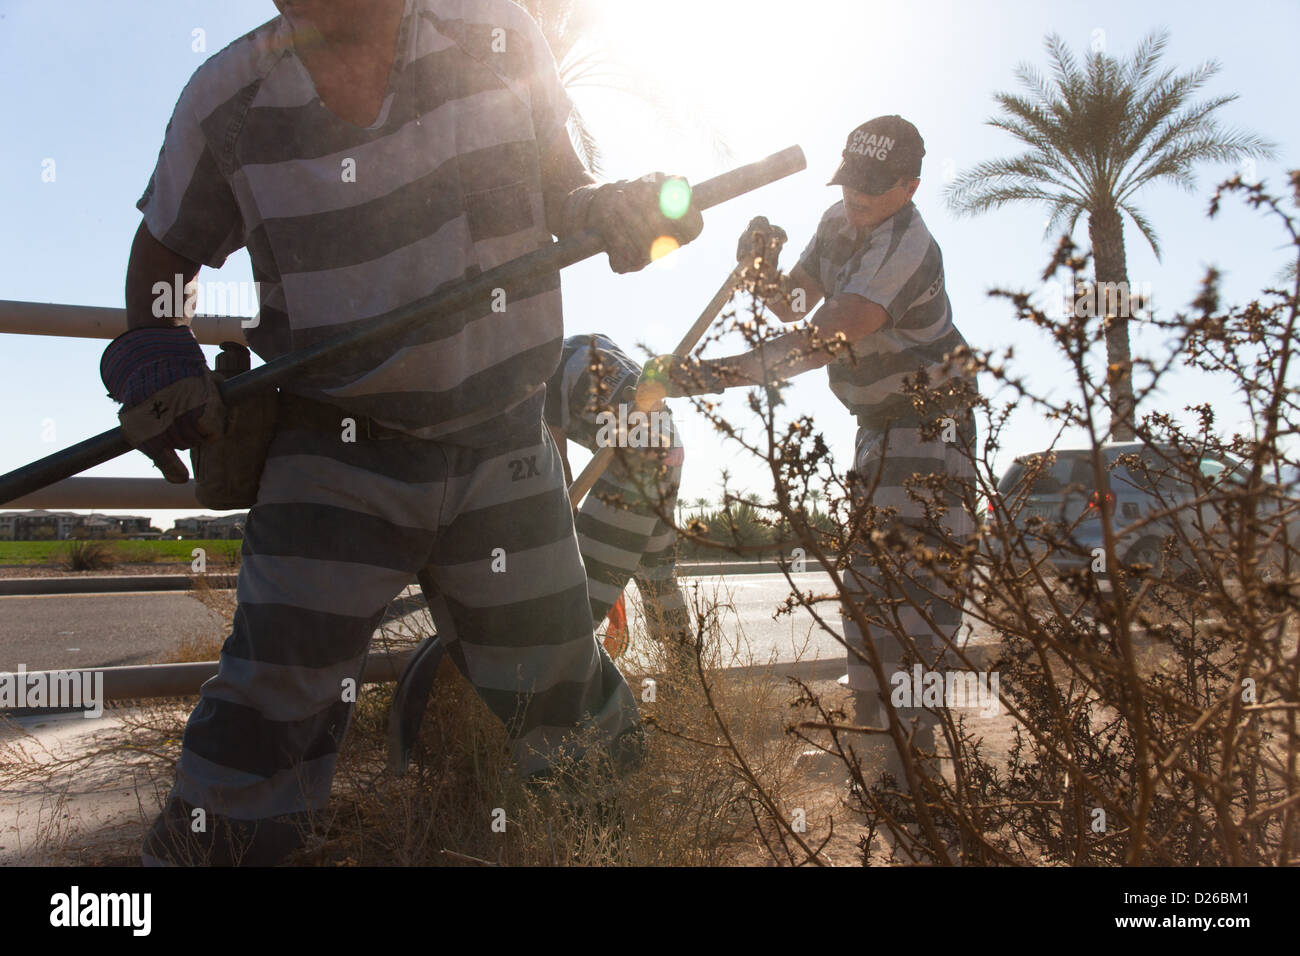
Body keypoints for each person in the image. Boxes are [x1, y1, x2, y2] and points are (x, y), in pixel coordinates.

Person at [100, 0, 702, 865]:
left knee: (561, 693)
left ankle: (611, 847)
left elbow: (561, 187)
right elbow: (163, 256)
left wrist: (616, 210)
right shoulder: (226, 99)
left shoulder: (496, 32)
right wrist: (159, 344)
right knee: (271, 702)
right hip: (333, 448)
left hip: (505, 441)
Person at [645, 115, 978, 788]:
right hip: (877, 427)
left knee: (910, 597)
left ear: (911, 186)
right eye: (853, 179)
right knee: (865, 590)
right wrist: (762, 268)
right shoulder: (837, 220)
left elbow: (817, 342)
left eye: (875, 186)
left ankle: (913, 773)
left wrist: (700, 379)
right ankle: (879, 754)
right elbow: (793, 307)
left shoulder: (909, 245)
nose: (858, 196)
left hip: (931, 426)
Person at [545, 333, 691, 657]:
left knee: (581, 587)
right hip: (669, 446)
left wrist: (569, 519)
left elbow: (557, 463)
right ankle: (688, 682)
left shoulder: (544, 376)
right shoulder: (589, 341)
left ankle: (551, 683)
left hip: (632, 454)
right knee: (657, 573)